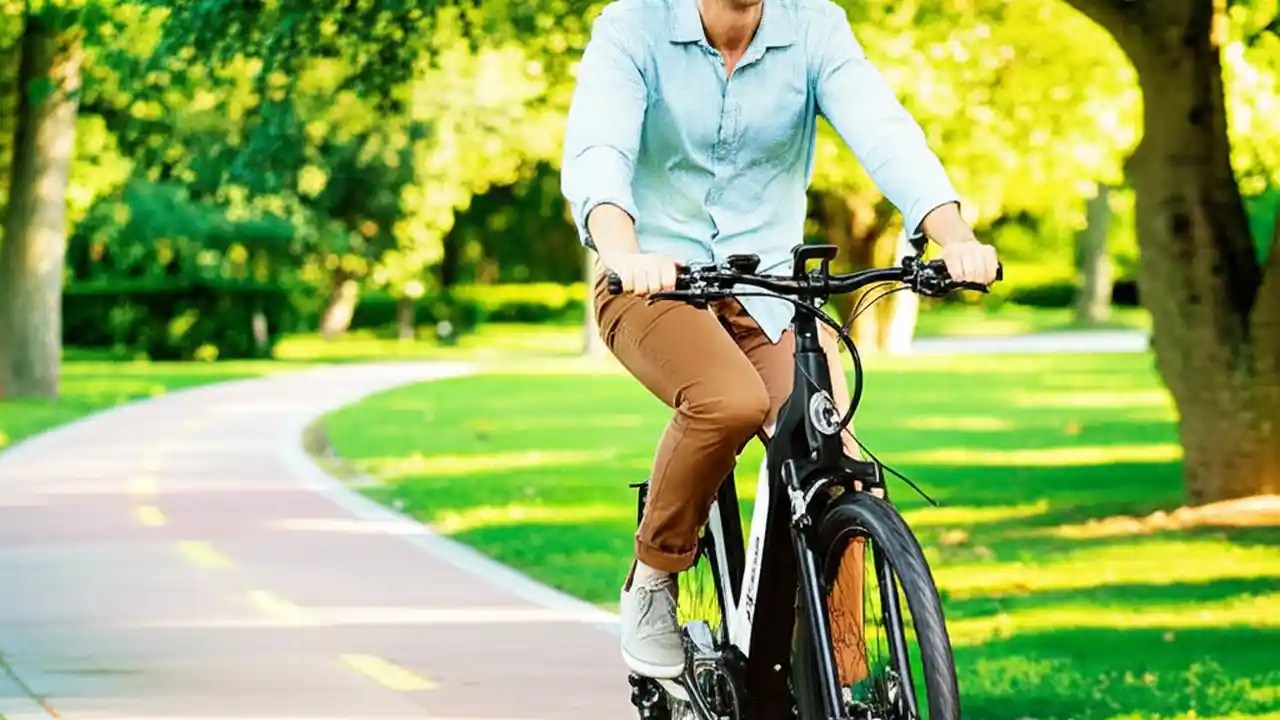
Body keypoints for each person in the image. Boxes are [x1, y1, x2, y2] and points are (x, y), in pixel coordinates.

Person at [560, 0, 998, 690]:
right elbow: (599, 151)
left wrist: (955, 238)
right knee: (728, 401)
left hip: (772, 289)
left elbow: (885, 133)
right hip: (653, 284)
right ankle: (653, 576)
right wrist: (624, 250)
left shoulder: (813, 26)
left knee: (838, 461)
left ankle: (833, 683)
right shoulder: (634, 25)